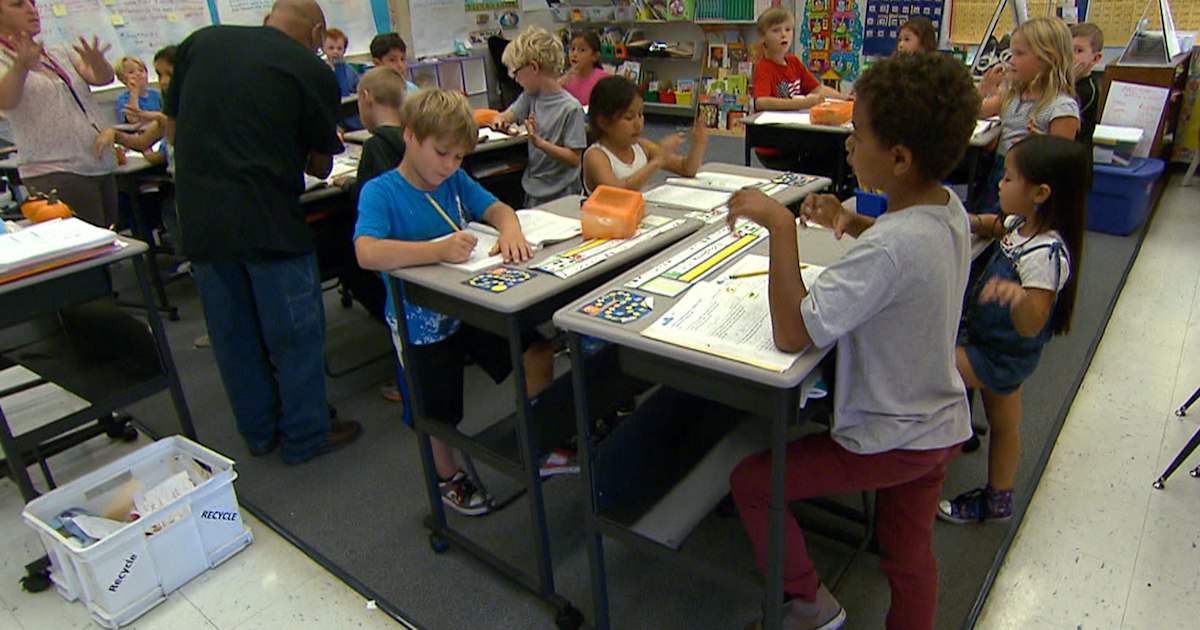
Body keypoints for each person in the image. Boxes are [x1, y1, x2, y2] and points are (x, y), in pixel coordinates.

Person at [726, 52, 979, 630]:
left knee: (752, 485)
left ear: (898, 157)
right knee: (909, 557)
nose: (847, 145)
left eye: (857, 134)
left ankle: (809, 603)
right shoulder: (947, 209)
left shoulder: (890, 248)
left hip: (888, 435)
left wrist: (782, 225)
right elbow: (903, 246)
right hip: (938, 423)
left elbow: (792, 333)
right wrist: (852, 220)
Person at [164, 0, 361, 464]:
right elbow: (320, 164)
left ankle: (258, 432)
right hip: (269, 220)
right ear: (317, 33)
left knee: (232, 335)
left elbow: (172, 133)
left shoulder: (201, 43)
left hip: (202, 220)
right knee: (294, 335)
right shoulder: (310, 70)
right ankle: (306, 434)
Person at [354, 88, 555, 516]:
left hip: (471, 307)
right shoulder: (381, 192)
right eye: (442, 153)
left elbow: (498, 210)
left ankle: (539, 440)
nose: (449, 165)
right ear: (410, 135)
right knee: (436, 414)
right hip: (420, 323)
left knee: (536, 350)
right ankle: (447, 478)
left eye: (459, 157)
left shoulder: (454, 180)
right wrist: (436, 250)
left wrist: (510, 230)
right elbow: (366, 252)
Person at [938, 134, 1086, 524]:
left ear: (1040, 193)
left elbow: (1033, 322)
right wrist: (966, 220)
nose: (1000, 186)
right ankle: (998, 497)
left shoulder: (1044, 254)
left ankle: (934, 459)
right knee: (1004, 425)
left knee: (932, 366)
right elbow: (995, 225)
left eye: (1008, 178)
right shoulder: (1023, 224)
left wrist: (1018, 298)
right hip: (991, 344)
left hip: (997, 355)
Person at [0, 0, 118, 227]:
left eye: (32, 3)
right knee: (87, 245)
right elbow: (6, 101)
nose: (32, 10)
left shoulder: (57, 53)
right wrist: (20, 67)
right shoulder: (4, 59)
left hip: (97, 163)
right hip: (54, 171)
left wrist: (99, 64)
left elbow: (102, 78)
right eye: (18, 4)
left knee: (113, 237)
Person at [976, 17, 1079, 214]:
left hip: (1030, 183)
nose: (1011, 61)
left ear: (1048, 59)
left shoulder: (1061, 107)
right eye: (1011, 53)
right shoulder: (1012, 95)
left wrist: (1040, 144)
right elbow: (978, 110)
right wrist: (985, 87)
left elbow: (1062, 163)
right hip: (1001, 172)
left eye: (1020, 54)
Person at [349, 66, 407, 403]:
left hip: (392, 248)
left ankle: (405, 379)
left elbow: (368, 196)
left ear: (367, 98)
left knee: (351, 270)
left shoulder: (375, 147)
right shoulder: (411, 137)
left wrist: (348, 187)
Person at [490, 26, 587, 207]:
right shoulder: (530, 96)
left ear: (533, 67)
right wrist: (500, 121)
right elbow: (508, 115)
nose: (515, 79)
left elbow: (574, 159)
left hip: (563, 193)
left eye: (516, 73)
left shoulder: (570, 108)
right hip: (534, 190)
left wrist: (540, 143)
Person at [750, 6, 850, 172]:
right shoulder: (764, 68)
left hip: (795, 137)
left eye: (788, 30)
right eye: (776, 30)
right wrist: (803, 103)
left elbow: (817, 88)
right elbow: (761, 102)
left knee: (837, 152)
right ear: (763, 37)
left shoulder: (794, 62)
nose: (783, 35)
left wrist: (843, 97)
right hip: (775, 142)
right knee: (825, 157)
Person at [582, 75, 707, 193]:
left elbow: (686, 169)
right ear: (604, 122)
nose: (638, 123)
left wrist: (698, 144)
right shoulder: (596, 155)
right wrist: (657, 162)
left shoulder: (642, 146)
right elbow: (616, 193)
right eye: (629, 118)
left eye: (640, 114)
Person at [1069, 22, 1104, 149]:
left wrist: (1069, 79)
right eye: (1067, 50)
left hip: (1077, 153)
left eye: (1078, 51)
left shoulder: (1088, 90)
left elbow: (1060, 108)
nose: (1070, 56)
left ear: (1095, 59)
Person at [559, 30, 609, 106]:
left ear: (595, 56)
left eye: (582, 50)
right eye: (572, 49)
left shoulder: (603, 79)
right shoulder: (565, 80)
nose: (575, 54)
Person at [113, 56, 161, 123]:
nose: (138, 74)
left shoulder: (155, 95)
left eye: (141, 70)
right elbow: (133, 120)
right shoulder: (124, 100)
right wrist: (134, 92)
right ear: (122, 79)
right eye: (131, 72)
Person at [323, 27, 359, 97]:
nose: (335, 51)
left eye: (339, 48)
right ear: (324, 49)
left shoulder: (350, 71)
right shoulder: (320, 70)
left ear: (344, 50)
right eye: (331, 48)